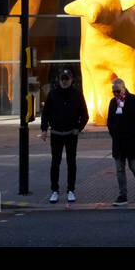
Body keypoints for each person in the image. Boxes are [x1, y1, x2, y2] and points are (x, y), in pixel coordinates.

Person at [40, 68, 89, 204]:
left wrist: (78, 128)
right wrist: (44, 129)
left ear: (71, 80)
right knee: (55, 162)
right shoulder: (53, 94)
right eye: (63, 78)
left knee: (71, 162)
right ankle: (54, 190)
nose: (64, 81)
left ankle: (71, 190)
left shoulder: (77, 95)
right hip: (56, 133)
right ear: (59, 79)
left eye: (67, 78)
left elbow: (84, 114)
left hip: (71, 134)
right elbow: (46, 113)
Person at [106, 77, 135, 205]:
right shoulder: (113, 102)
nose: (116, 94)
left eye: (117, 91)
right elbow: (109, 120)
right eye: (114, 92)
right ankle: (122, 194)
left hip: (131, 140)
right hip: (118, 141)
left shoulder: (134, 100)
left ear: (123, 88)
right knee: (119, 168)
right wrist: (113, 132)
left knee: (133, 165)